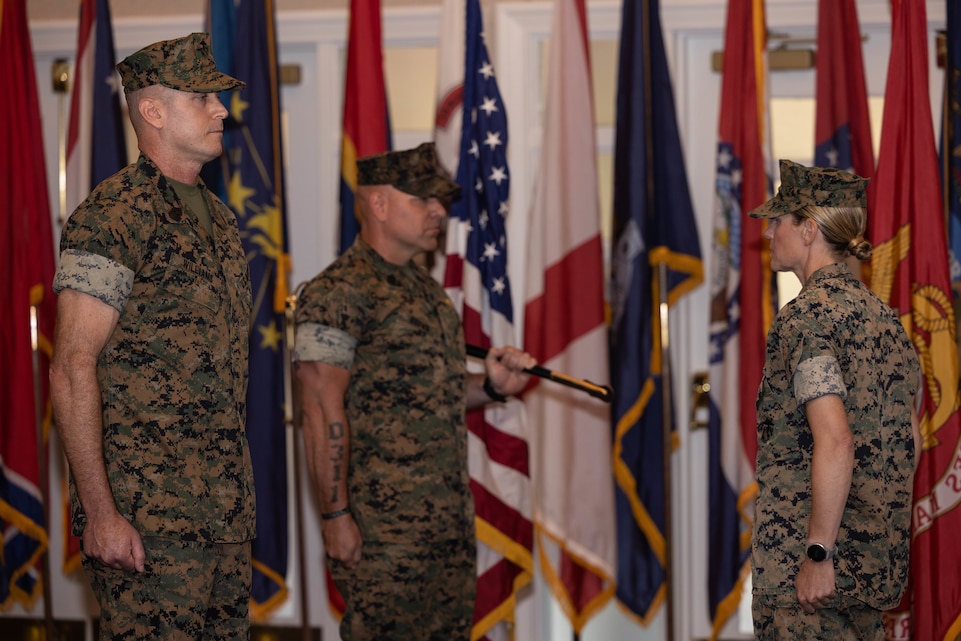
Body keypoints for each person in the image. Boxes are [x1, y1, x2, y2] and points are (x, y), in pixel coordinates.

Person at [49, 33, 255, 640]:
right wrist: (102, 513)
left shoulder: (220, 220)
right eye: (203, 98)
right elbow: (70, 366)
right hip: (148, 519)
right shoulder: (113, 216)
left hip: (223, 515)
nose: (221, 109)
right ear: (153, 111)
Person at [293, 142, 535, 641]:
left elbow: (430, 393)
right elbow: (320, 408)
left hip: (445, 528)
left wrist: (490, 386)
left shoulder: (426, 292)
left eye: (440, 201)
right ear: (378, 203)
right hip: (383, 533)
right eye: (422, 200)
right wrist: (336, 515)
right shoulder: (337, 292)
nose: (439, 212)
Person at [749, 159, 921, 640]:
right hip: (870, 576)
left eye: (778, 221)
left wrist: (818, 554)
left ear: (807, 229)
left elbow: (836, 438)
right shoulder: (886, 320)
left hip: (808, 585)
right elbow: (910, 441)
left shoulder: (805, 319)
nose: (768, 234)